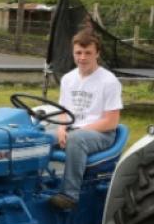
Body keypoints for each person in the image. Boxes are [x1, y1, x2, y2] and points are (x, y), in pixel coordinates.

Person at [49, 29, 123, 210]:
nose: (82, 57)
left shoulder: (109, 81)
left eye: (88, 53)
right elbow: (64, 111)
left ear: (97, 53)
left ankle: (69, 196)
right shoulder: (68, 79)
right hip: (73, 130)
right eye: (78, 53)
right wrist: (61, 128)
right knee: (36, 140)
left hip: (101, 134)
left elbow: (111, 121)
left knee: (76, 140)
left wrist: (80, 130)